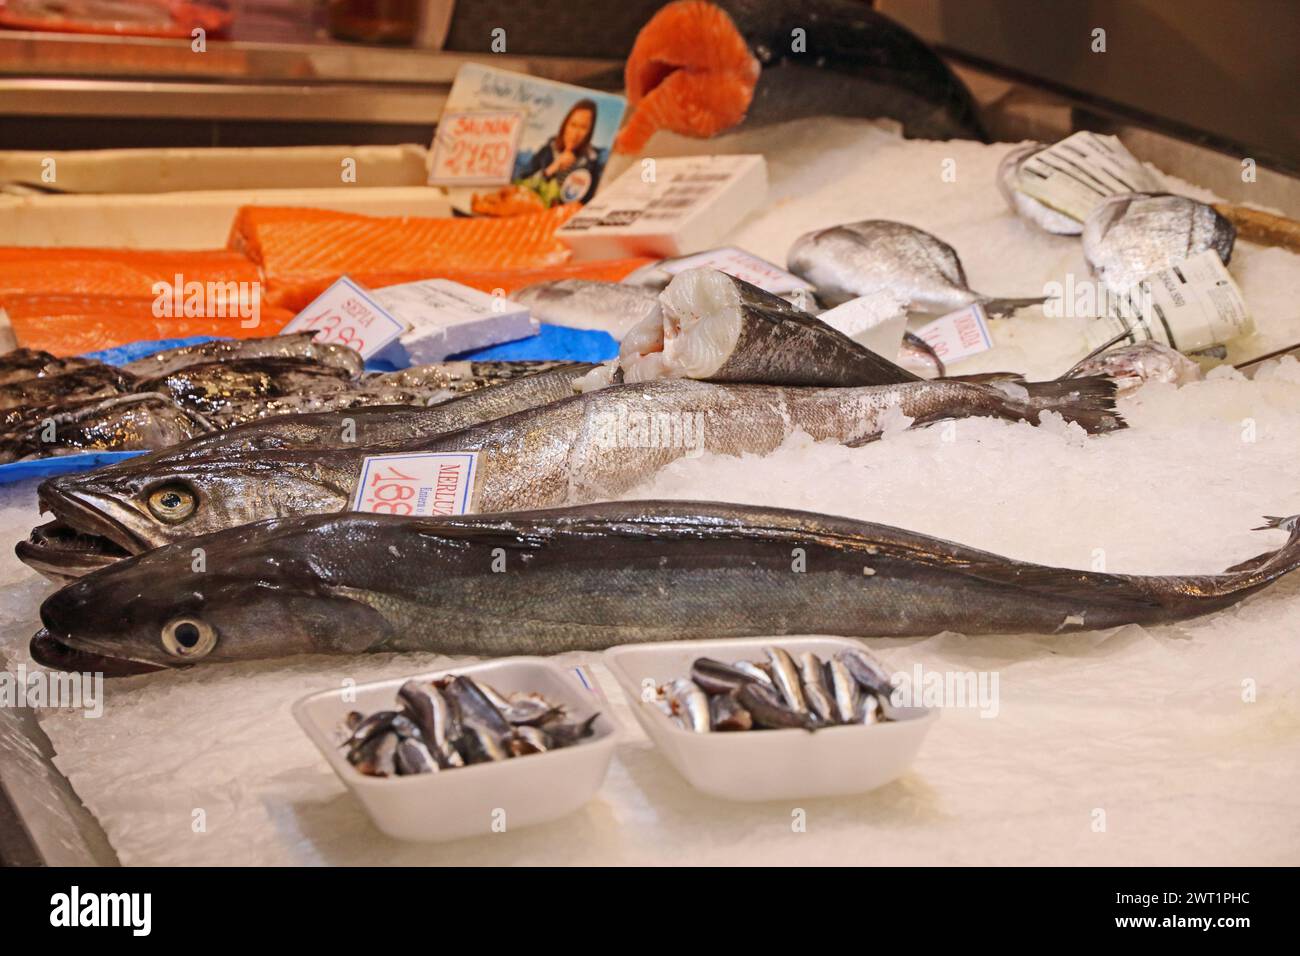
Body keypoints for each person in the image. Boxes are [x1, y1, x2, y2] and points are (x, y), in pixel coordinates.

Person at [519, 99, 604, 205]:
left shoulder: (592, 163)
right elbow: (520, 185)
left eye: (583, 127)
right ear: (565, 125)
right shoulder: (547, 151)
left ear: (589, 132)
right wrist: (552, 168)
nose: (576, 133)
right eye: (573, 125)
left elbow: (587, 202)